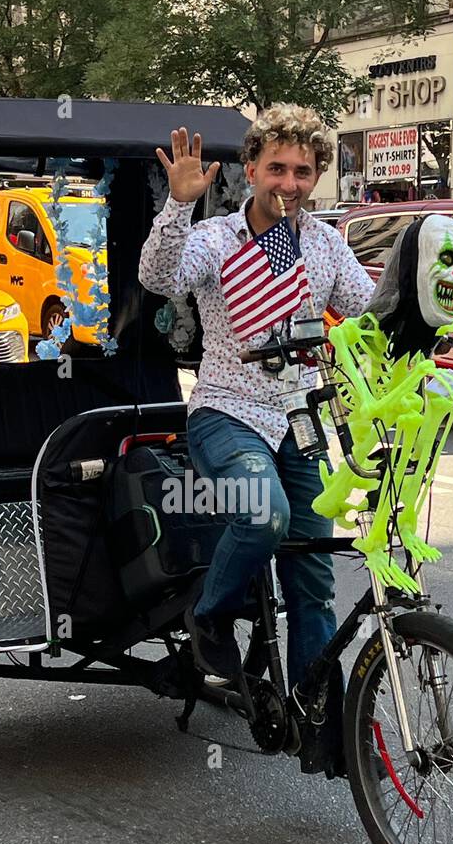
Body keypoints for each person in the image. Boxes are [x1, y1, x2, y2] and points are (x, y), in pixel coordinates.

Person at [138, 104, 375, 690]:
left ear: (316, 175)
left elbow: (371, 312)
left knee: (314, 578)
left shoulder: (324, 244)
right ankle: (210, 615)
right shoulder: (215, 237)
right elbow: (160, 278)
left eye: (301, 171)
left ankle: (318, 718)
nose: (288, 184)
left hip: (299, 418)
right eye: (276, 168)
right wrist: (179, 203)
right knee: (264, 515)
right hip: (226, 412)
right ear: (249, 167)